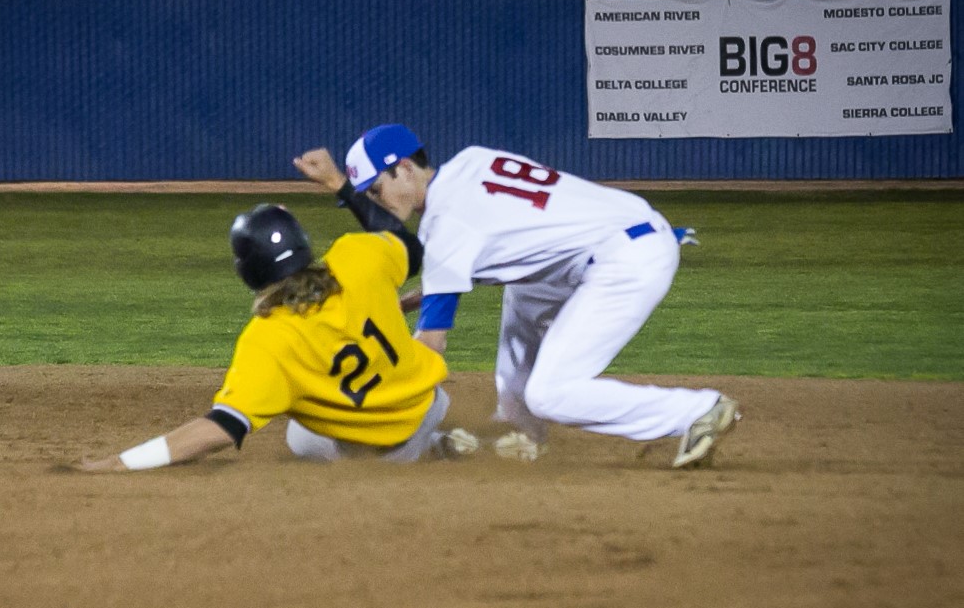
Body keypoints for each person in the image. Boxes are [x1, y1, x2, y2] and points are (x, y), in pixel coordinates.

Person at [293, 124, 740, 469]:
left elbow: (431, 344)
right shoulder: (471, 163)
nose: (380, 200)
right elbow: (471, 253)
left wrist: (382, 399)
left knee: (552, 392)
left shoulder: (448, 225)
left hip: (624, 261)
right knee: (522, 299)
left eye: (378, 189)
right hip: (607, 239)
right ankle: (523, 429)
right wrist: (406, 299)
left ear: (405, 167)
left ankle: (696, 409)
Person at [79, 202, 478, 472]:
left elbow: (221, 428)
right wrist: (393, 303)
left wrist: (122, 462)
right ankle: (440, 438)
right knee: (414, 340)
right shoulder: (359, 255)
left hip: (384, 454)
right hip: (429, 402)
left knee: (300, 434)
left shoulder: (267, 341)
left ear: (248, 272)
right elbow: (412, 246)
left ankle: (428, 448)